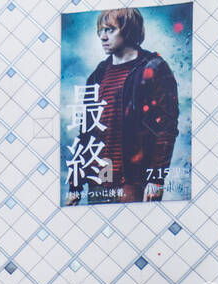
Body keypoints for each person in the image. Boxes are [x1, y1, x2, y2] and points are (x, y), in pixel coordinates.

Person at [64, 6, 181, 205]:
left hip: (133, 181)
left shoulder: (154, 68)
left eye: (110, 30)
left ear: (128, 30)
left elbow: (165, 130)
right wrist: (75, 183)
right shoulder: (98, 74)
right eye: (100, 30)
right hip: (99, 181)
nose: (102, 36)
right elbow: (86, 132)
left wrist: (156, 179)